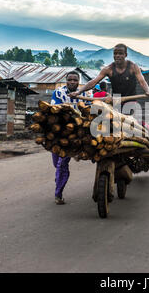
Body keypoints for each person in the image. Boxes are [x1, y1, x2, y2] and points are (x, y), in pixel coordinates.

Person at [70, 43, 149, 169]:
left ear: (125, 55)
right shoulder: (108, 69)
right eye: (115, 53)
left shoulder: (132, 67)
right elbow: (93, 82)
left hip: (131, 103)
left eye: (120, 53)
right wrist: (78, 92)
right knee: (107, 125)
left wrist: (147, 90)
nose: (117, 56)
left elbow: (142, 81)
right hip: (115, 104)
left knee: (139, 126)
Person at [51, 71, 88, 205]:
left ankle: (58, 194)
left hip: (74, 135)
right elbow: (55, 108)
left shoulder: (84, 94)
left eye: (75, 80)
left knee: (62, 164)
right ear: (66, 81)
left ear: (79, 82)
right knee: (56, 164)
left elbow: (87, 111)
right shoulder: (58, 92)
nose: (72, 82)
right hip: (58, 132)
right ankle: (59, 179)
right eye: (70, 80)